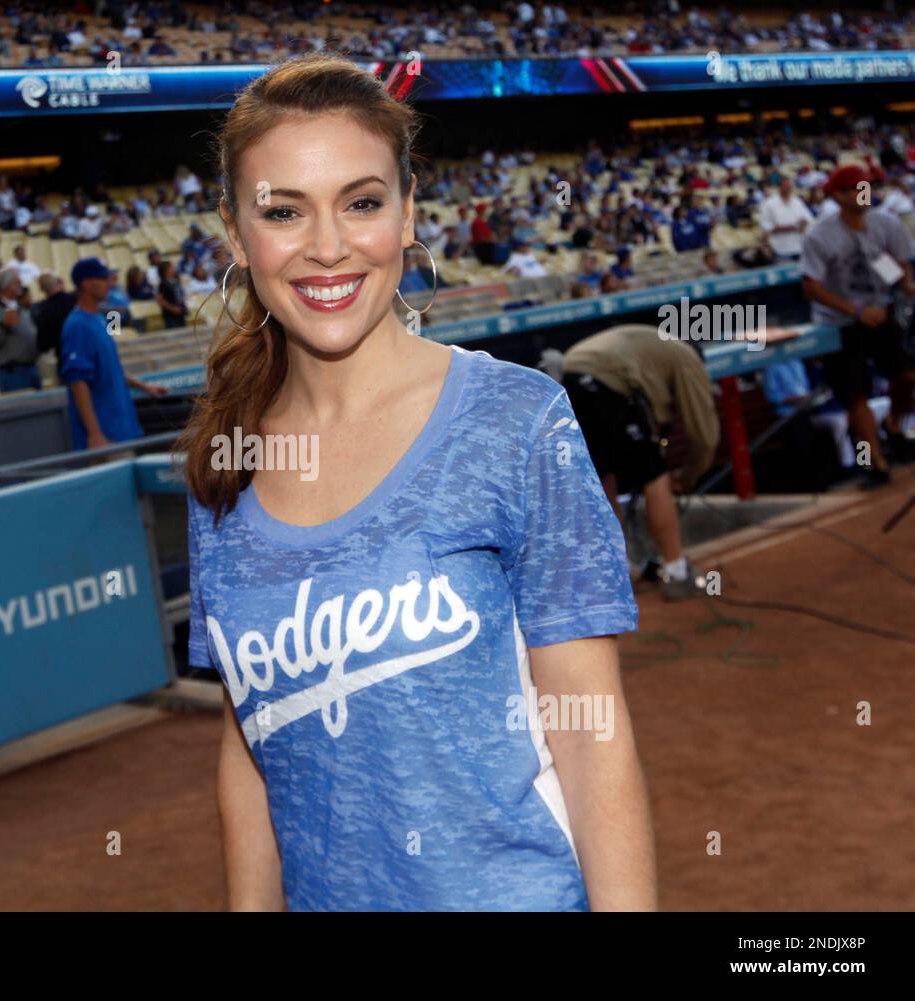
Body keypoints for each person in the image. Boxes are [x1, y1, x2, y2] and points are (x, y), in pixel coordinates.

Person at [177, 54, 653, 912]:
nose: (328, 246)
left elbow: (591, 732)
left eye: (361, 202)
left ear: (406, 213)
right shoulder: (226, 454)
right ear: (235, 232)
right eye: (283, 211)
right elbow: (250, 745)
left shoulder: (516, 419)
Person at [553, 324, 720, 600]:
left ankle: (618, 572)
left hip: (570, 377)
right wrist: (690, 475)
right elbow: (704, 434)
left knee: (601, 477)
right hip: (603, 381)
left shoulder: (655, 347)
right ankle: (677, 572)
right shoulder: (685, 358)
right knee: (654, 475)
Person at [801, 164, 915, 488]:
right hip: (838, 325)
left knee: (906, 377)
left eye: (868, 186)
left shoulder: (884, 223)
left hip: (879, 315)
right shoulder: (821, 235)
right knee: (856, 397)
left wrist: (905, 282)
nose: (866, 193)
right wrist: (855, 310)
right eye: (857, 188)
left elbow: (898, 263)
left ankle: (894, 428)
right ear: (838, 195)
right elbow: (811, 286)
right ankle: (874, 462)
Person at [60, 257, 166, 452]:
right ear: (86, 284)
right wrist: (94, 433)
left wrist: (144, 386)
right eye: (103, 279)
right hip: (105, 437)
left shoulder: (100, 319)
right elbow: (78, 382)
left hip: (121, 429)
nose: (109, 283)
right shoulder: (77, 325)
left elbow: (109, 369)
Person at [0, 266, 41, 392]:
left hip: (32, 368)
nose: (21, 284)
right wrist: (3, 325)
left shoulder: (21, 307)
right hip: (13, 373)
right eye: (17, 281)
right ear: (7, 285)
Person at [759, 174, 814, 261]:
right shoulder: (769, 203)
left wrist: (802, 223)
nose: (789, 188)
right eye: (786, 185)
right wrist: (784, 228)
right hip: (780, 248)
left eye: (790, 185)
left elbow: (808, 219)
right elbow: (765, 225)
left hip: (798, 246)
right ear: (780, 187)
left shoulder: (797, 201)